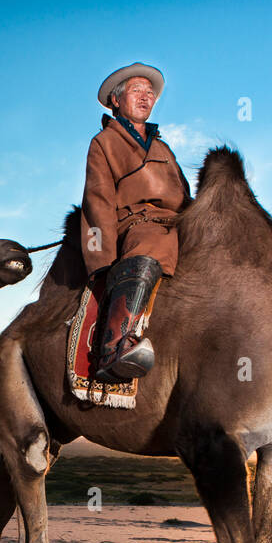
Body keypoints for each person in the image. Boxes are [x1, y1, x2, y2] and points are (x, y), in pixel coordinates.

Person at [80, 62, 192, 382]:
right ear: (116, 100)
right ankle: (116, 345)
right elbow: (98, 200)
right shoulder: (103, 143)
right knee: (152, 241)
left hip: (177, 220)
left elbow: (184, 194)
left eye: (150, 92)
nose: (145, 97)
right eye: (136, 90)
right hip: (136, 223)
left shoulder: (163, 148)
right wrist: (103, 259)